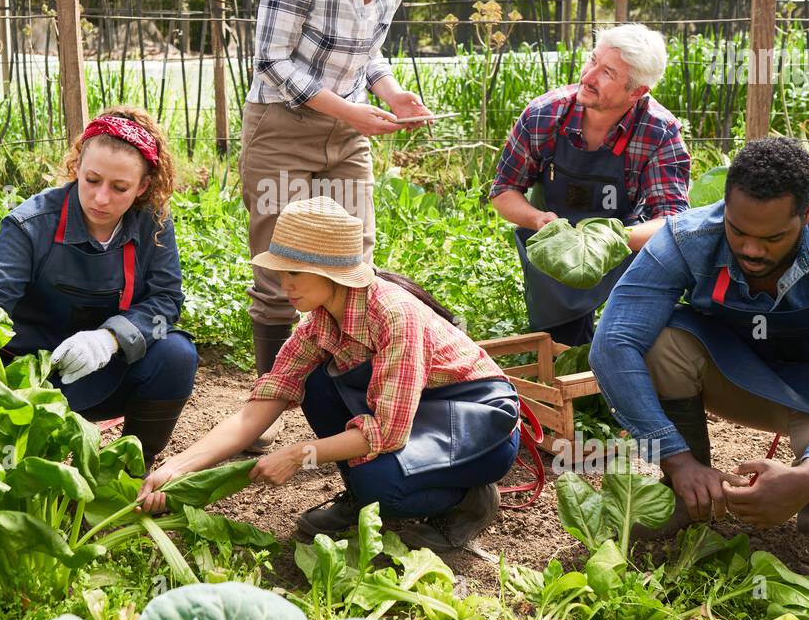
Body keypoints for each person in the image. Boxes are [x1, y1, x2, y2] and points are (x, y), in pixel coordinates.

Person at [137, 197, 521, 552]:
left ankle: (469, 499)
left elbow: (387, 432)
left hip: (475, 425)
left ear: (335, 273)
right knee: (318, 383)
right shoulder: (319, 324)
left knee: (383, 488)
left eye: (295, 273)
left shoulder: (393, 316)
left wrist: (299, 455)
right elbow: (257, 410)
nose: (284, 284)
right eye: (281, 271)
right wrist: (177, 469)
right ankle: (364, 494)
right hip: (416, 415)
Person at [589, 138, 809, 545]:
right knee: (656, 342)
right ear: (725, 206)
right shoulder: (686, 239)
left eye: (772, 238)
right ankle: (688, 490)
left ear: (807, 213)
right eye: (737, 231)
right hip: (741, 374)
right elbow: (613, 342)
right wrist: (675, 458)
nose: (751, 249)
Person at [242, 0, 444, 450]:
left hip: (346, 133)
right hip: (283, 126)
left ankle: (353, 394)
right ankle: (267, 406)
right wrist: (349, 110)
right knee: (283, 265)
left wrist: (389, 92)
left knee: (353, 258)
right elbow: (274, 62)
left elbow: (369, 56)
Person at [0, 108, 197, 468]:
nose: (100, 198)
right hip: (33, 378)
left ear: (142, 187)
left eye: (119, 188)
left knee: (176, 355)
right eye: (91, 180)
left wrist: (110, 339)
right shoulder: (29, 225)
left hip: (110, 367)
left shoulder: (152, 222)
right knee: (21, 474)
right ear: (76, 167)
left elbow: (166, 301)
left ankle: (133, 468)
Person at [490, 24, 690, 346]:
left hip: (624, 243)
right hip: (553, 242)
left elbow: (671, 221)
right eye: (592, 60)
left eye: (607, 73)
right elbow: (503, 191)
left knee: (625, 341)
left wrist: (607, 238)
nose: (588, 76)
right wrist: (536, 219)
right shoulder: (544, 115)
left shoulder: (659, 131)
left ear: (636, 91)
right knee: (562, 344)